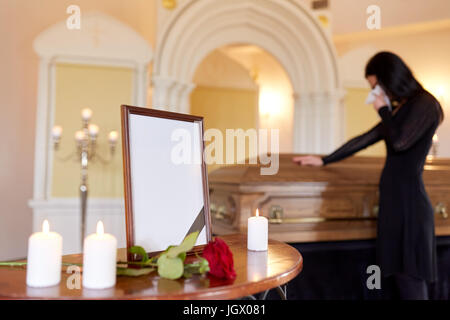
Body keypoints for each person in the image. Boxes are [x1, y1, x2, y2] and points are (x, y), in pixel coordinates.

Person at [293, 51, 444, 300]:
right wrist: (324, 159)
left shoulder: (425, 104)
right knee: (399, 280)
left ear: (390, 79)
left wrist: (383, 110)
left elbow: (399, 142)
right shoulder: (402, 109)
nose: (376, 94)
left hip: (410, 207)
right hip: (394, 204)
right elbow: (366, 138)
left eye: (376, 87)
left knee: (411, 281)